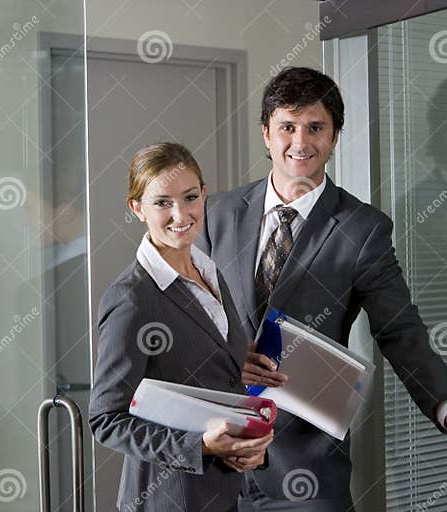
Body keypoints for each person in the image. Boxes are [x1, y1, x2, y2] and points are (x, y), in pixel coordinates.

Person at [197, 67, 447, 511]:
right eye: (287, 128)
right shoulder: (215, 213)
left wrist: (446, 406)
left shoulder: (362, 229)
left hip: (304, 471)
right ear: (266, 134)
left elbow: (399, 329)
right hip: (215, 457)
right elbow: (192, 317)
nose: (300, 142)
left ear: (335, 137)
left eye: (316, 127)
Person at [88, 142, 273, 512]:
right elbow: (106, 420)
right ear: (136, 208)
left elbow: (219, 380)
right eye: (162, 202)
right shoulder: (133, 299)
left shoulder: (210, 271)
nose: (180, 214)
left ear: (204, 195)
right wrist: (201, 445)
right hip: (167, 500)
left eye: (190, 197)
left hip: (222, 494)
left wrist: (246, 449)